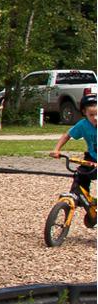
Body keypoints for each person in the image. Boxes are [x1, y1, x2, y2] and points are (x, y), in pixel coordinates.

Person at [48, 94, 96, 222]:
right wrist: (57, 149)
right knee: (80, 178)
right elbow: (67, 135)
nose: (95, 118)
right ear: (84, 113)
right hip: (92, 158)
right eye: (91, 115)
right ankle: (85, 203)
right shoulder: (83, 125)